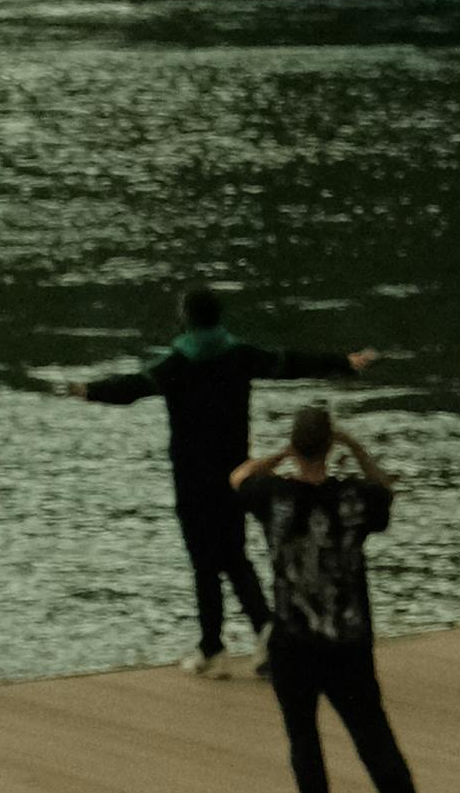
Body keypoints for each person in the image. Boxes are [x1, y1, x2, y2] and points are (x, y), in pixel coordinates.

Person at [72, 286, 372, 670]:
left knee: (203, 559)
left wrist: (86, 391)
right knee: (232, 554)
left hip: (192, 478)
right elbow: (290, 363)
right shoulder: (240, 356)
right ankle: (262, 630)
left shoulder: (177, 365)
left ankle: (213, 646)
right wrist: (342, 363)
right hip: (236, 476)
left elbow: (132, 388)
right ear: (218, 317)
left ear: (186, 317)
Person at [241, 397, 428, 793]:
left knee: (304, 741)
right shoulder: (355, 499)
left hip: (293, 642)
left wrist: (281, 455)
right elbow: (385, 487)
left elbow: (238, 477)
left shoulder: (274, 497)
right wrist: (356, 447)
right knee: (372, 733)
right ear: (330, 445)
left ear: (296, 445)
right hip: (348, 639)